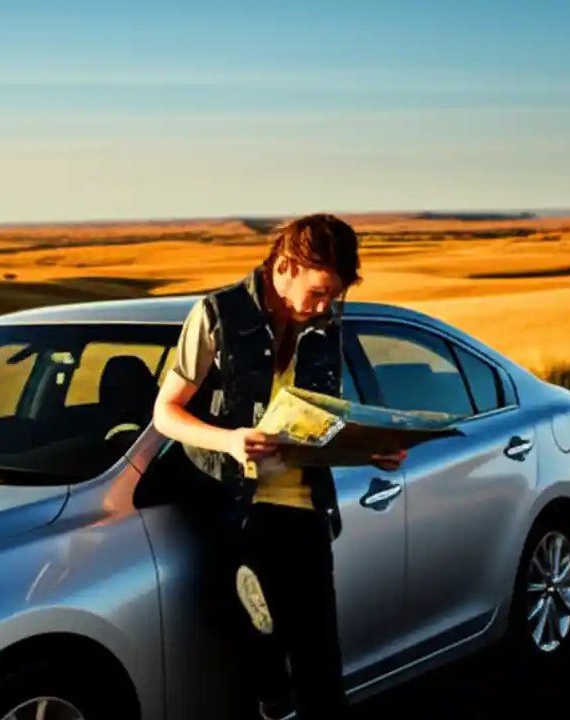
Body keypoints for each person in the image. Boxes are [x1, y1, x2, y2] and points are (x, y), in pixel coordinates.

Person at [151, 213, 405, 720]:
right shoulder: (217, 315)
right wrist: (229, 441)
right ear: (286, 265)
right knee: (255, 668)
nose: (325, 305)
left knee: (321, 668)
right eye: (319, 291)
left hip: (306, 514)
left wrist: (367, 450)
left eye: (334, 295)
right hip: (237, 519)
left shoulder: (323, 326)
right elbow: (165, 414)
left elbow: (320, 425)